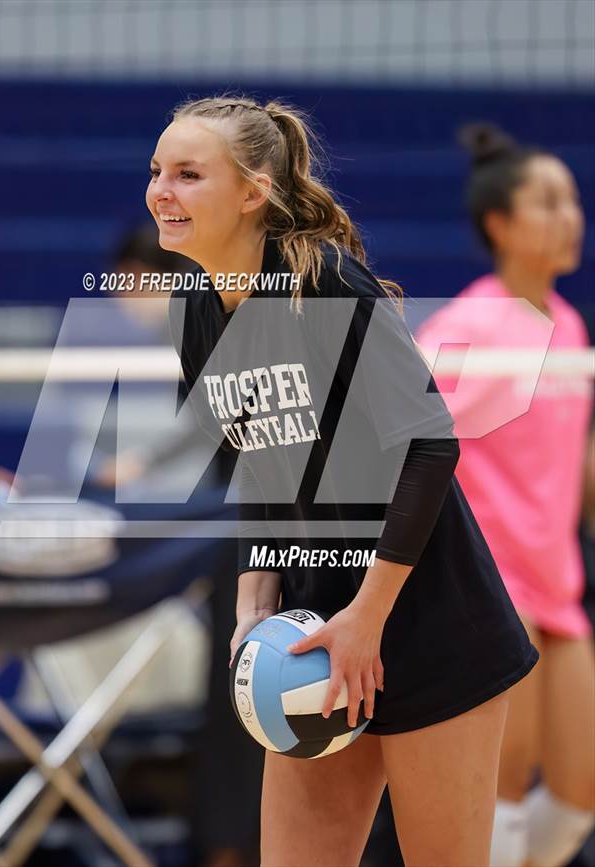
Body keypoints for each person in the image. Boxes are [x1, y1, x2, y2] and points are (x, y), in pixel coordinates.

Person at [149, 95, 538, 867]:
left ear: (253, 191)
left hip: (430, 624)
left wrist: (369, 617)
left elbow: (432, 448)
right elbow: (262, 457)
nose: (162, 190)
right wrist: (254, 601)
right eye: (156, 171)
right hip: (318, 634)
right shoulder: (194, 308)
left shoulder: (323, 283)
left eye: (189, 174)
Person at [416, 124, 595, 867]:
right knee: (502, 791)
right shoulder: (468, 327)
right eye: (547, 202)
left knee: (581, 793)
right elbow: (403, 441)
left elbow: (570, 461)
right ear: (500, 223)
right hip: (493, 584)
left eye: (573, 200)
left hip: (559, 584)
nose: (570, 217)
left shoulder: (573, 325)